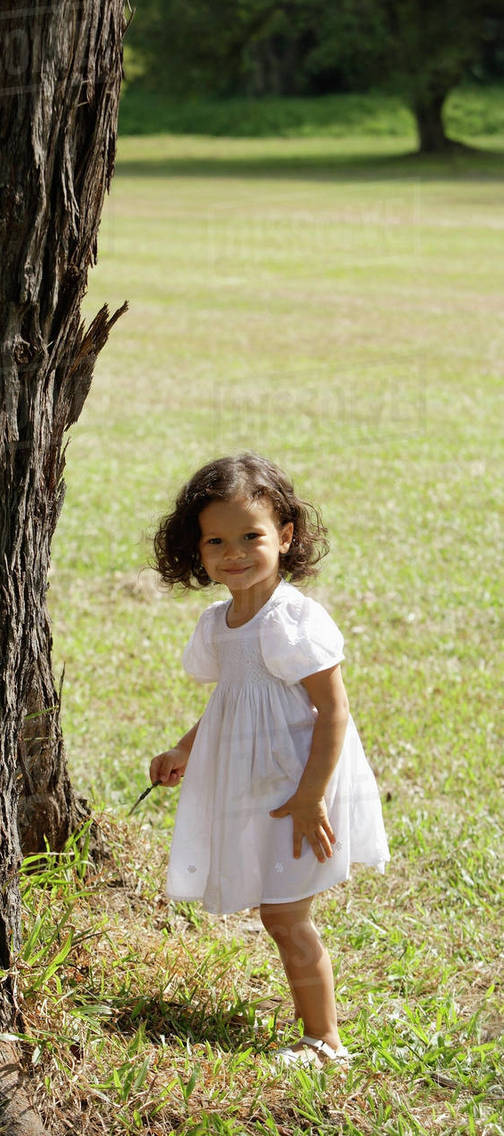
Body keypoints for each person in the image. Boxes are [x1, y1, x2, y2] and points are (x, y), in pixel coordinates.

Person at [148, 452, 389, 1067]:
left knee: (285, 914)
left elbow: (333, 712)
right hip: (260, 786)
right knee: (277, 913)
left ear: (284, 536)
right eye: (216, 541)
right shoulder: (219, 623)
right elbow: (230, 703)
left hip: (302, 787)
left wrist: (311, 796)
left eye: (251, 536)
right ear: (196, 549)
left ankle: (324, 1041)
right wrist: (184, 748)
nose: (234, 553)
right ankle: (319, 1035)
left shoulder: (293, 619)